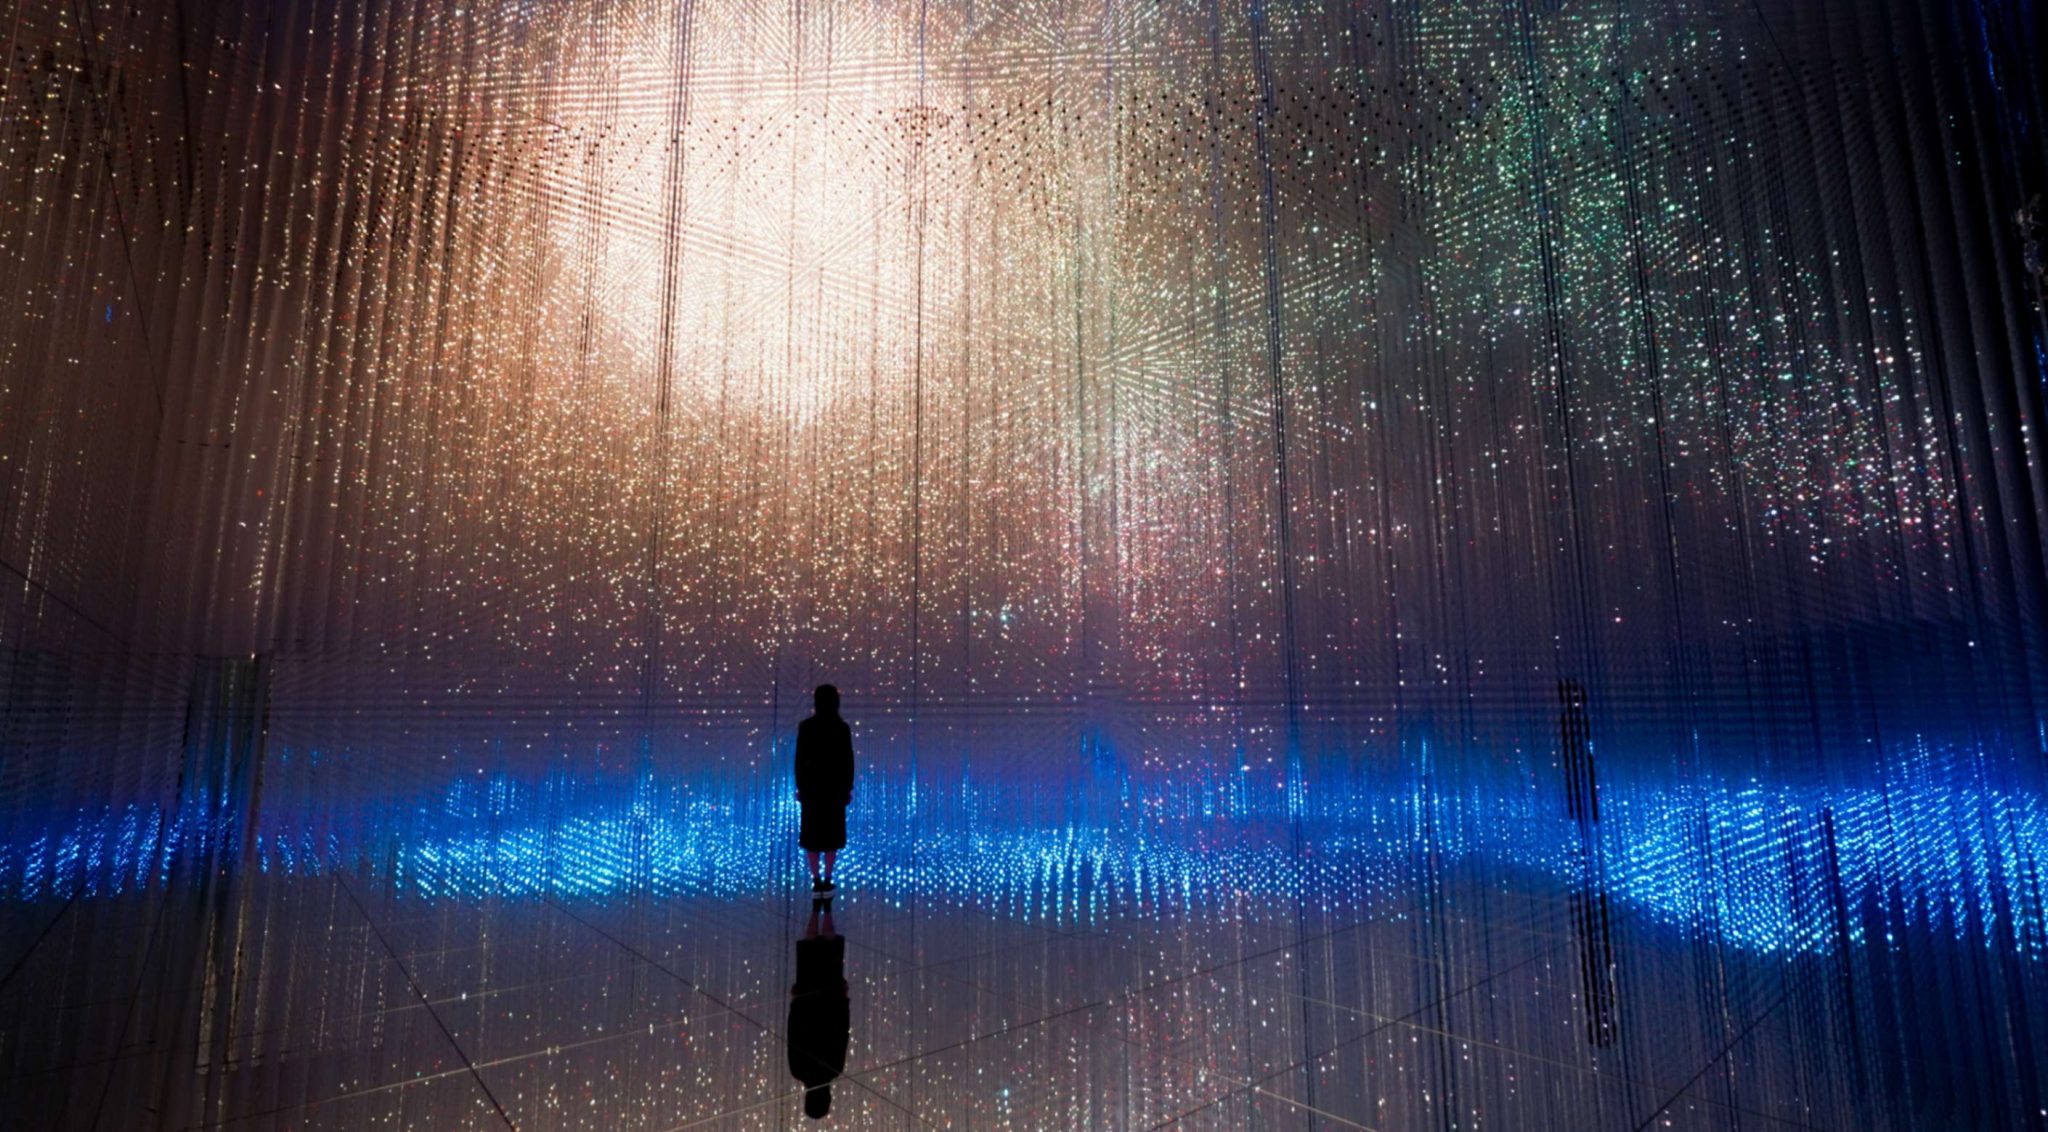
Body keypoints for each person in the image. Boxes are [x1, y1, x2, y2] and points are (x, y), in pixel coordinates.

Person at [786, 898, 850, 1119]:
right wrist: (795, 1003)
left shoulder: (834, 1069)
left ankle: (827, 907)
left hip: (831, 999)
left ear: (827, 1097)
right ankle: (816, 907)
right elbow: (792, 1035)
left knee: (830, 949)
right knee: (810, 949)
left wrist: (843, 1000)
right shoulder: (798, 1071)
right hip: (806, 1000)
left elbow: (842, 1032)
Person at [794, 684, 854, 893]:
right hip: (834, 790)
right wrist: (847, 788)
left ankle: (816, 879)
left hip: (812, 789)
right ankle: (828, 878)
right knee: (831, 836)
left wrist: (801, 787)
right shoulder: (842, 728)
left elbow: (800, 760)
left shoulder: (806, 727)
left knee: (812, 836)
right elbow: (848, 761)